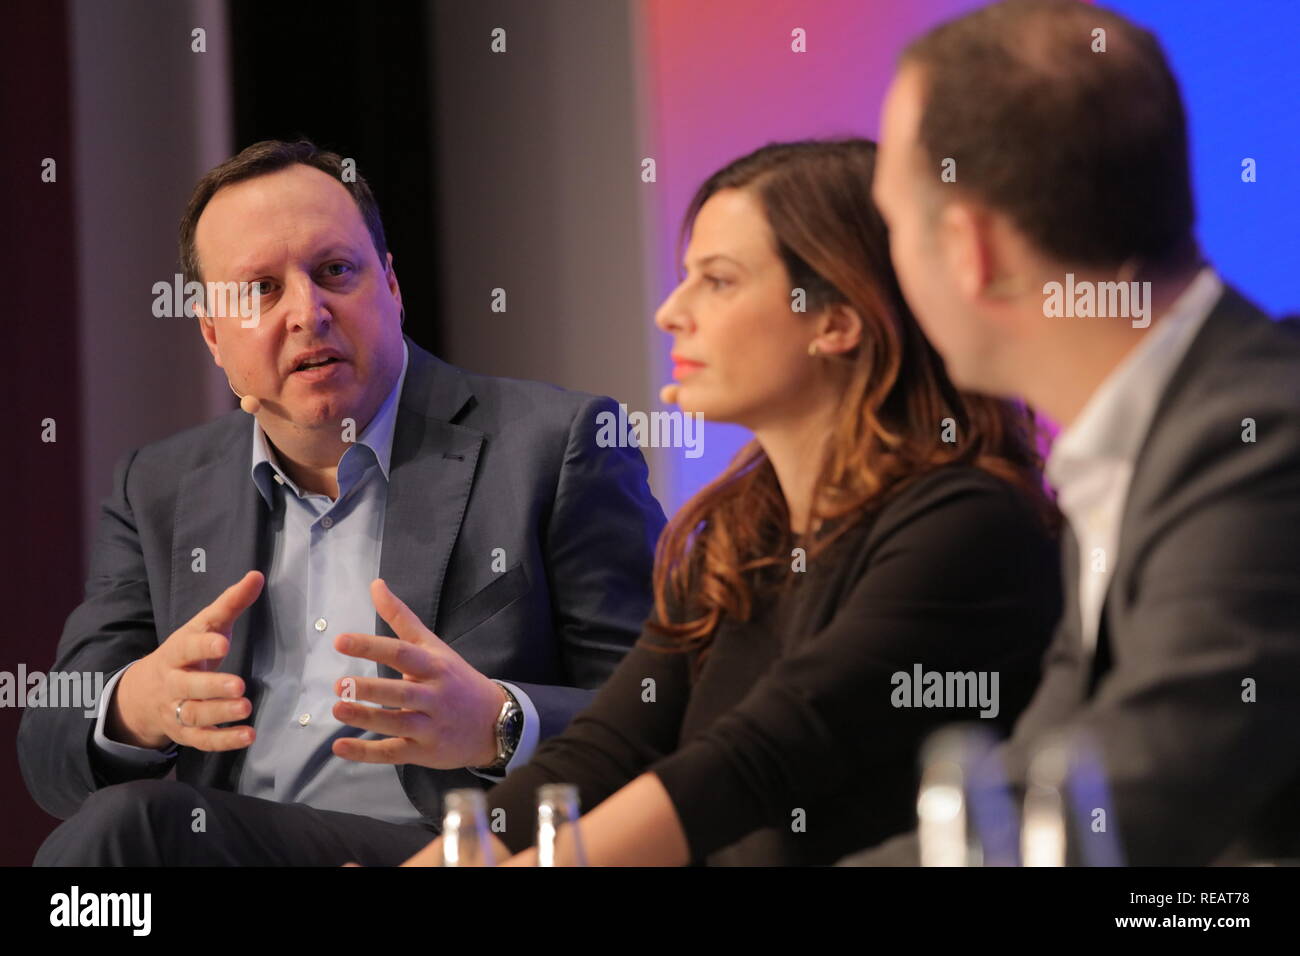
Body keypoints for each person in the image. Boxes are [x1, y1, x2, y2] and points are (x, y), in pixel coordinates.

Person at [402, 138, 1064, 867]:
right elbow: (606, 751)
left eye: (717, 281)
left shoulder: (967, 527)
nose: (671, 312)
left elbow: (756, 762)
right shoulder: (742, 532)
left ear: (837, 318)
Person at [19, 139, 667, 865]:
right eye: (260, 290)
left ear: (391, 286)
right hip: (234, 845)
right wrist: (136, 706)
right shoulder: (159, 487)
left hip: (455, 849)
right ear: (211, 333)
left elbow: (664, 715)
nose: (307, 313)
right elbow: (47, 753)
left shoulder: (555, 446)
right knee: (125, 828)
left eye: (335, 272)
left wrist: (498, 722)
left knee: (136, 829)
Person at [842, 0, 1300, 866]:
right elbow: (1044, 775)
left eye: (893, 224)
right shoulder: (1130, 442)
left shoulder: (1258, 439)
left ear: (969, 249)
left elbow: (1126, 802)